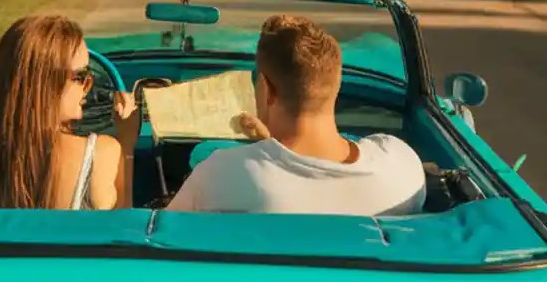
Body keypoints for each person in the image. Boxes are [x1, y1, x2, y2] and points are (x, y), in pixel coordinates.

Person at [168, 15, 426, 215]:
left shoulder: (222, 175)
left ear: (267, 89)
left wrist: (128, 148)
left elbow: (154, 236)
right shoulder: (402, 167)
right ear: (336, 84)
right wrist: (268, 142)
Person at [0, 15, 140, 209]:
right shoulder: (101, 154)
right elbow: (125, 227)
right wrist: (127, 143)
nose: (89, 86)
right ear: (43, 84)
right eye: (81, 76)